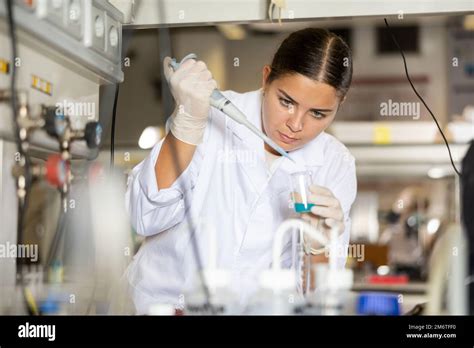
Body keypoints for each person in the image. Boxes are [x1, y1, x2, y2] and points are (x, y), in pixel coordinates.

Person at [125, 27, 357, 314]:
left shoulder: (336, 163)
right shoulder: (209, 115)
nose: (296, 125)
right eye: (286, 101)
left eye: (318, 113)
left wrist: (318, 248)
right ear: (266, 78)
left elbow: (317, 302)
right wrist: (187, 124)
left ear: (339, 105)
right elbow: (143, 217)